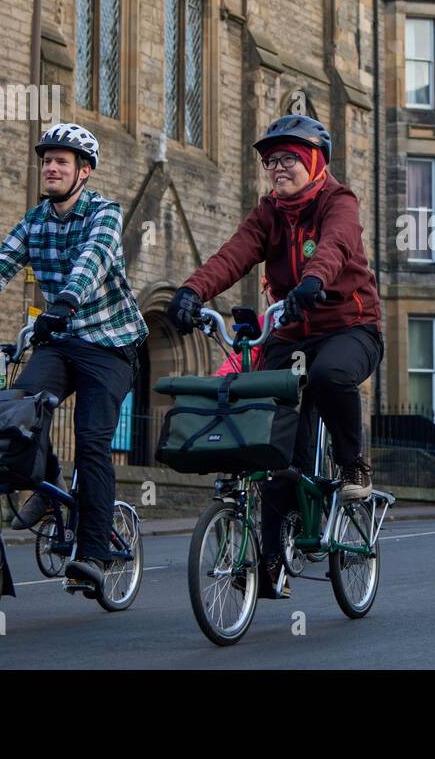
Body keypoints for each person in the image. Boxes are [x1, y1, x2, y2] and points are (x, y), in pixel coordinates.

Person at [165, 114, 382, 599]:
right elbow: (233, 254)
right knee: (275, 444)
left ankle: (352, 466)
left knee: (328, 378)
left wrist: (314, 281)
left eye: (287, 159)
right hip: (290, 333)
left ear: (313, 161)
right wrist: (191, 291)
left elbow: (337, 244)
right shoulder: (268, 214)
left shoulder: (337, 200)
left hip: (350, 327)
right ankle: (269, 562)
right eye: (270, 161)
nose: (276, 168)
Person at [0, 123, 147, 595]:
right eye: (47, 160)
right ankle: (51, 493)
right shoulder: (35, 220)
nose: (51, 167)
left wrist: (65, 302)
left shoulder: (104, 214)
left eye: (62, 161)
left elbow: (92, 261)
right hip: (61, 337)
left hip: (110, 345)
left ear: (84, 172)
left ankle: (92, 553)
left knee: (92, 441)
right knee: (20, 408)